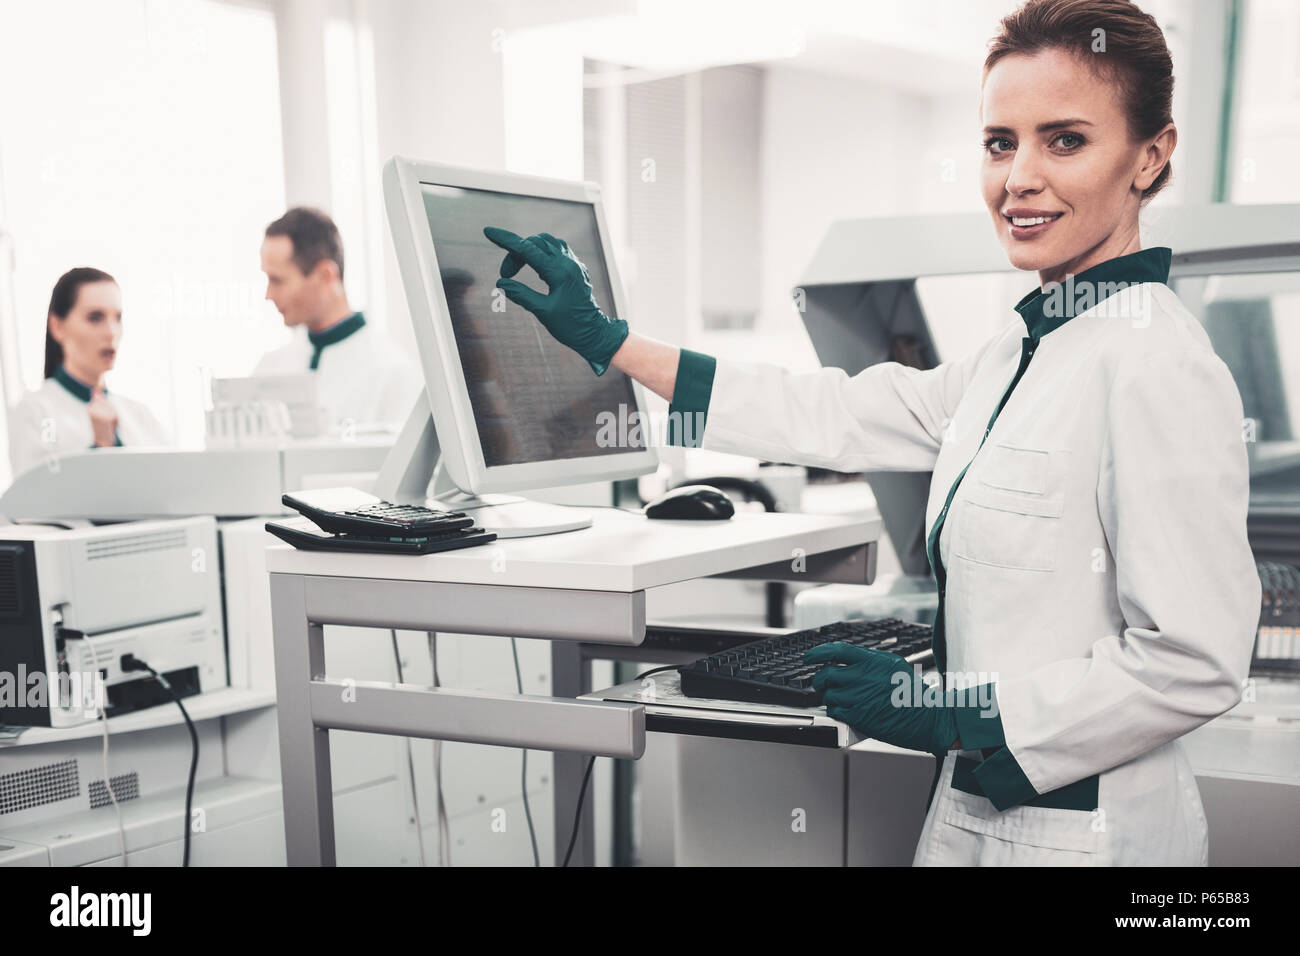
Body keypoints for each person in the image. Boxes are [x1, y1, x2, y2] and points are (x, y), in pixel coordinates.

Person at [483, 0, 1261, 866]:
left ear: (1151, 156)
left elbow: (1195, 658)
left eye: (1065, 140)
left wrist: (957, 712)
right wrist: (613, 344)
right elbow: (840, 413)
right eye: (1000, 143)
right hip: (984, 811)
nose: (1019, 178)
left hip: (1089, 829)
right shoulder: (1026, 347)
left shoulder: (1157, 366)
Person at [255, 207, 422, 434]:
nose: (268, 295)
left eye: (277, 280)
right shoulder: (269, 368)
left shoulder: (393, 375)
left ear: (325, 275)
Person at [8, 267, 169, 479]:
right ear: (57, 326)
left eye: (117, 318)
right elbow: (38, 503)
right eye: (95, 318)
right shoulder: (37, 413)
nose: (111, 332)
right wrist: (100, 447)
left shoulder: (140, 414)